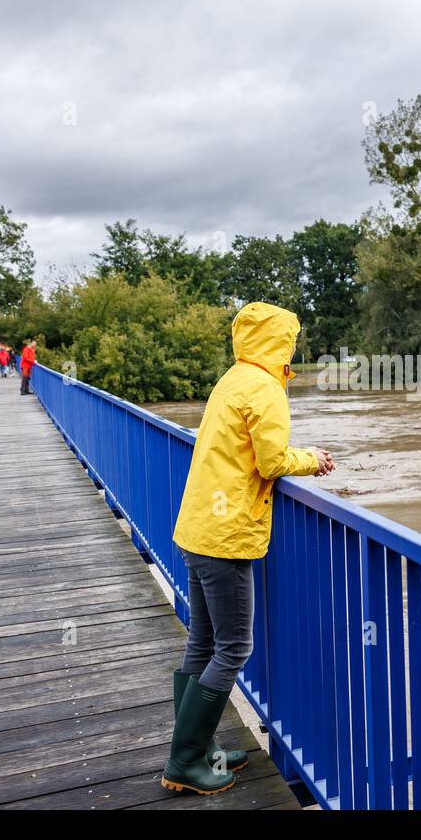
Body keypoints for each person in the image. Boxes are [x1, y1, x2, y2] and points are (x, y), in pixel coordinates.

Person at [161, 302, 335, 796]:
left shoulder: (233, 378)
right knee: (234, 647)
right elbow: (272, 459)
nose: (294, 349)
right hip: (227, 534)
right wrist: (314, 459)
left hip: (197, 526)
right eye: (292, 340)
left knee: (202, 642)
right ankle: (184, 761)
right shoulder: (266, 388)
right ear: (279, 342)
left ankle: (197, 748)